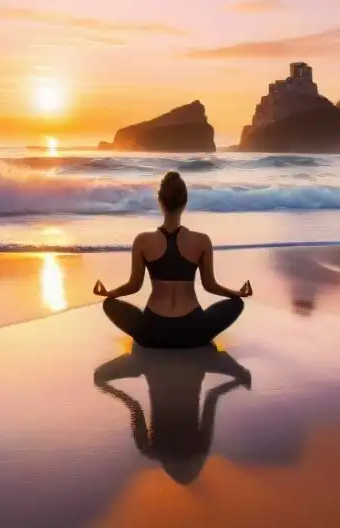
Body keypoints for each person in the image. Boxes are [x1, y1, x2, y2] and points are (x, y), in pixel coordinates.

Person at [92, 171, 251, 349]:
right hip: (194, 332)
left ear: (160, 202)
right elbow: (210, 286)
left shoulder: (142, 241)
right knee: (236, 304)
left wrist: (109, 293)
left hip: (153, 333)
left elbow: (134, 286)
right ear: (185, 203)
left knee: (109, 304)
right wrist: (236, 293)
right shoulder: (202, 241)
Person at [93, 344, 251, 484]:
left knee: (100, 376)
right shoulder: (150, 450)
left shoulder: (199, 449)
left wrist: (239, 379)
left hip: (182, 354)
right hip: (162, 356)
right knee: (100, 376)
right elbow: (133, 406)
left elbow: (212, 396)